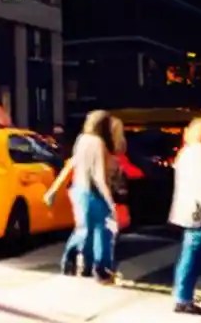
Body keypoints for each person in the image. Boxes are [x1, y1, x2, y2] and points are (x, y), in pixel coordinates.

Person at [44, 110, 120, 283]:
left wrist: (53, 190)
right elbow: (99, 177)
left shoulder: (82, 140)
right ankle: (101, 269)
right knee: (102, 229)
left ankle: (73, 260)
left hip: (79, 190)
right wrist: (111, 203)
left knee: (84, 229)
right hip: (94, 192)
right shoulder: (99, 143)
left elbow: (72, 165)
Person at [169, 118, 201, 315]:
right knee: (193, 256)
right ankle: (183, 300)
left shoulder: (188, 151)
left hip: (192, 211)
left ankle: (182, 297)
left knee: (193, 254)